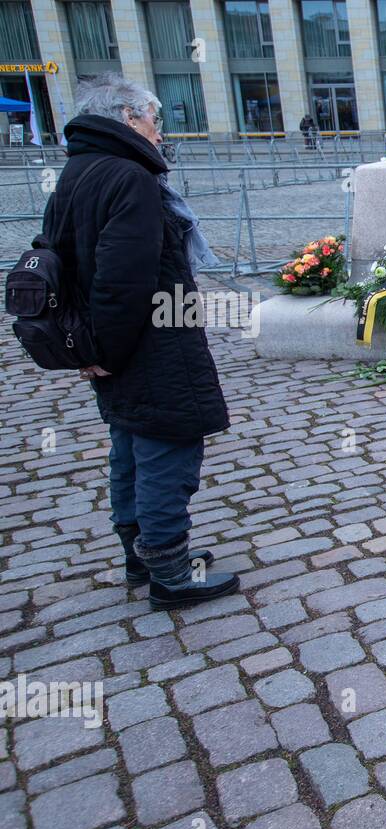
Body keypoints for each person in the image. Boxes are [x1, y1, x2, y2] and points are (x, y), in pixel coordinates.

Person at [54, 75, 237, 608]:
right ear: (129, 118)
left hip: (115, 341)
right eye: (153, 120)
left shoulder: (81, 168)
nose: (158, 133)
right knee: (167, 448)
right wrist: (103, 351)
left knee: (131, 447)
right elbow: (122, 279)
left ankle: (141, 557)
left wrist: (88, 348)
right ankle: (171, 571)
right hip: (151, 342)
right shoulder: (129, 176)